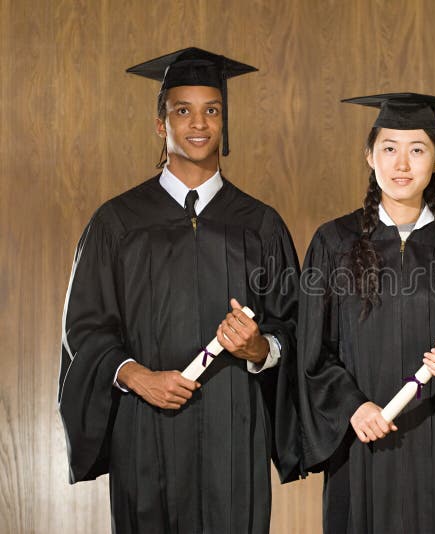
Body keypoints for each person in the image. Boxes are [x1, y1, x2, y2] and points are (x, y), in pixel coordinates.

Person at [57, 47, 301, 533]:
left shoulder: (260, 224)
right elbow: (84, 330)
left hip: (235, 434)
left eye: (212, 110)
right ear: (160, 123)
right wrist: (134, 376)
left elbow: (294, 327)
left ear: (224, 123)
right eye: (182, 110)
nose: (199, 124)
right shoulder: (117, 222)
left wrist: (259, 348)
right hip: (147, 432)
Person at [297, 93, 435, 533]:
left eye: (418, 150)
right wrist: (352, 407)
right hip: (360, 441)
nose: (402, 165)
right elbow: (314, 348)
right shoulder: (334, 243)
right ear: (369, 155)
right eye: (389, 148)